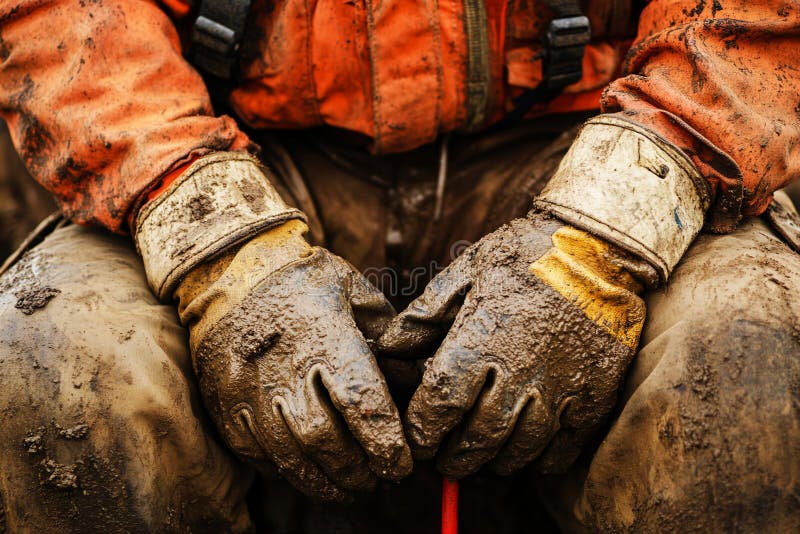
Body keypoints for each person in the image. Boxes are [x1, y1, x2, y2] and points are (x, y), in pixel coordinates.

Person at [0, 0, 799, 531]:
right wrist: (219, 251)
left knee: (744, 354)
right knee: (55, 360)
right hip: (213, 145)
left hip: (591, 136)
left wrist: (600, 248)